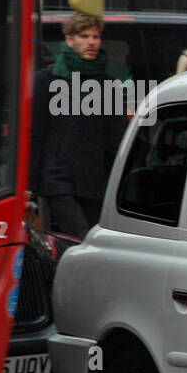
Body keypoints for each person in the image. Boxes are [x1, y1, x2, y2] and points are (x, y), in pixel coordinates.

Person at [27, 13, 128, 240]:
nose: (91, 42)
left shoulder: (109, 83)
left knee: (93, 242)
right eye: (84, 36)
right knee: (82, 239)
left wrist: (120, 183)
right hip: (58, 180)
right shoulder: (47, 80)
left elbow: (117, 138)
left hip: (95, 181)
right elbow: (36, 135)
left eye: (95, 36)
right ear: (69, 40)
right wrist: (29, 187)